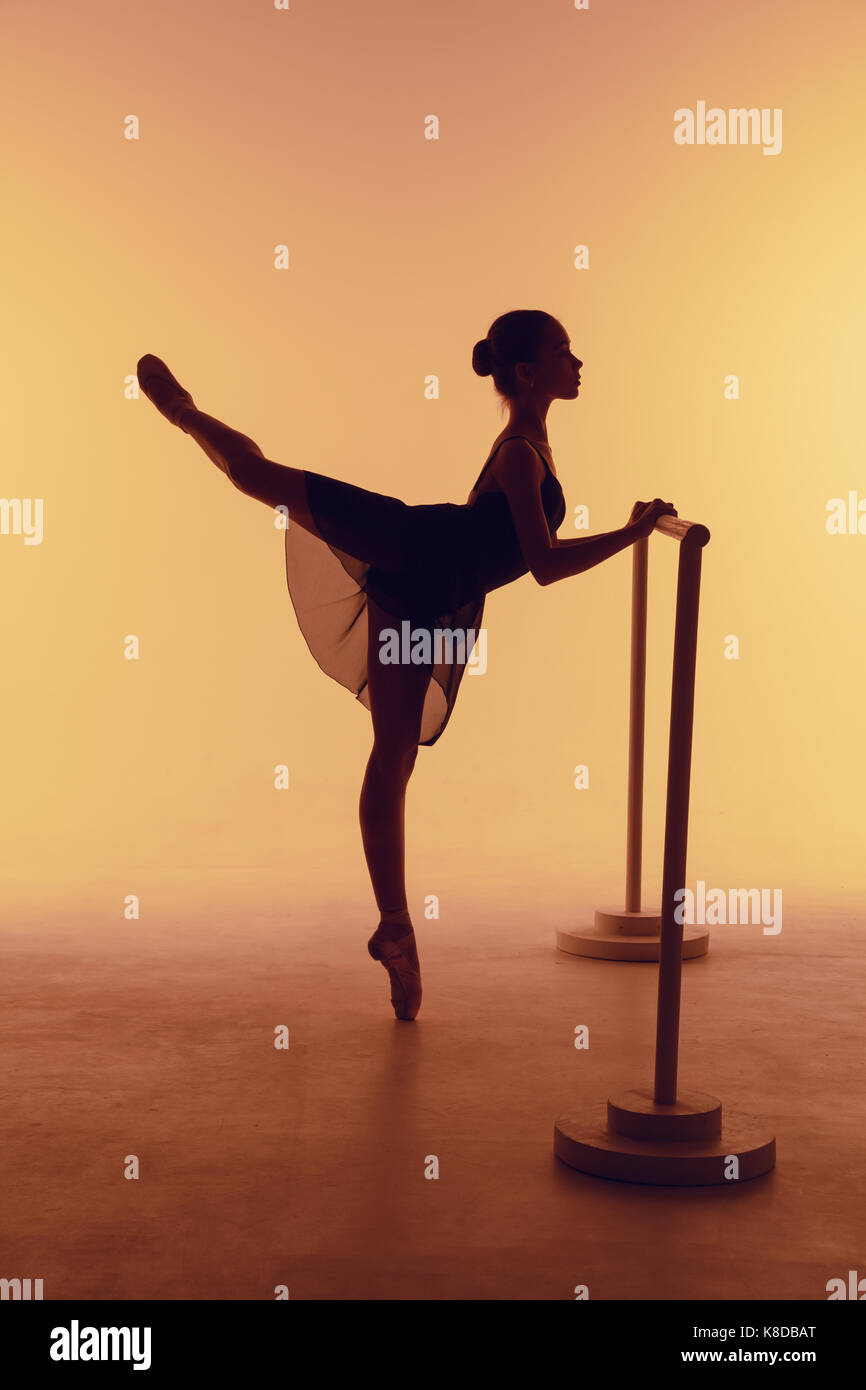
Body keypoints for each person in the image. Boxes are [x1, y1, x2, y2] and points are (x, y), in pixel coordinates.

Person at [136, 309, 675, 1022]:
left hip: (437, 599)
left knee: (393, 758)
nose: (578, 363)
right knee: (257, 475)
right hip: (408, 546)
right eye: (563, 352)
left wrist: (629, 530)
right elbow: (543, 565)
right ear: (526, 373)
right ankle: (184, 412)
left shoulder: (532, 442)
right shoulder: (520, 452)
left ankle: (397, 930)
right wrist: (632, 533)